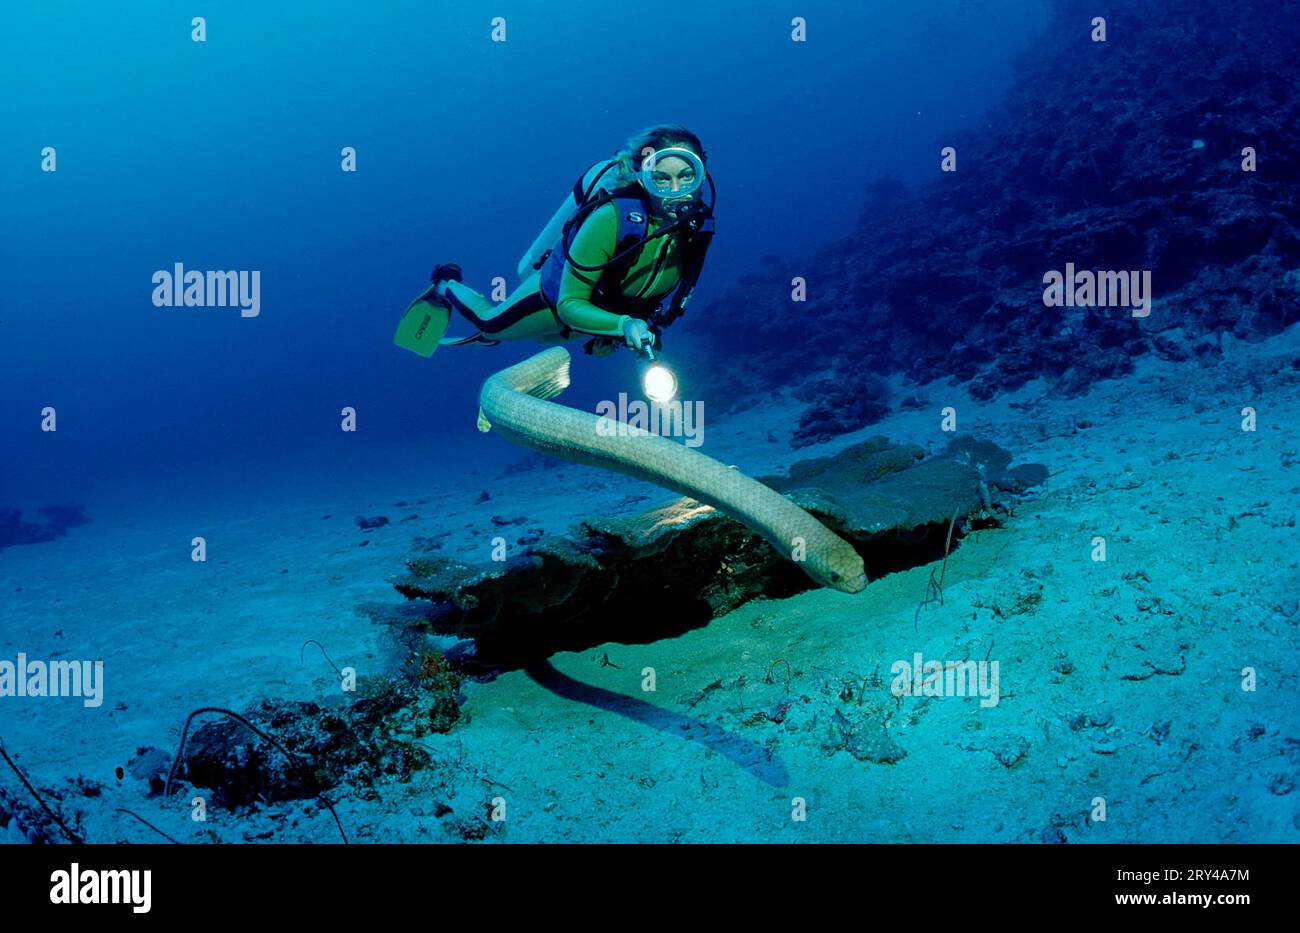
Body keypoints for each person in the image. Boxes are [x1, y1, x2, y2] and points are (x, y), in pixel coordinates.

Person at [394, 124, 715, 359]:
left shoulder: (697, 228)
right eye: (661, 179)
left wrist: (623, 327)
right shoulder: (612, 219)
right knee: (491, 325)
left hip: (604, 314)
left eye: (687, 175)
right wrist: (623, 325)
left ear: (702, 173)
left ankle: (521, 326)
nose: (676, 191)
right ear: (643, 179)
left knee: (547, 339)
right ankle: (446, 285)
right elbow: (569, 304)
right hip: (558, 296)